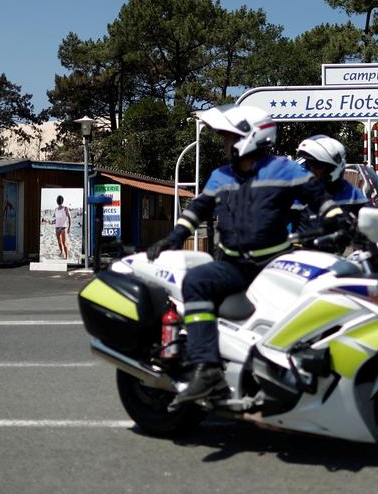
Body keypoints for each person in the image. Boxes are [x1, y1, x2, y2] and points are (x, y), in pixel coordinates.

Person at [146, 105, 348, 407]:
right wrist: (173, 238)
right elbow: (196, 211)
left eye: (230, 137)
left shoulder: (285, 169)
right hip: (233, 267)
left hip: (275, 265)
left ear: (251, 136)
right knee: (197, 282)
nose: (226, 143)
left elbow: (319, 199)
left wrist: (340, 220)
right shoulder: (220, 175)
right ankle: (208, 369)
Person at [291, 135, 369, 237]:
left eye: (317, 165)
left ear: (333, 168)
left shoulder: (350, 192)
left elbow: (371, 217)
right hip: (301, 251)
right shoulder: (297, 195)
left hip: (337, 252)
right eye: (308, 164)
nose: (311, 169)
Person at [53, 195, 71, 260]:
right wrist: (53, 221)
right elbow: (54, 218)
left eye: (59, 200)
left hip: (63, 227)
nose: (58, 201)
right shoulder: (55, 209)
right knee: (59, 242)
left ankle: (66, 256)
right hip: (57, 227)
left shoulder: (65, 208)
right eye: (58, 200)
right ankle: (61, 252)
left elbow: (69, 217)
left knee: (64, 243)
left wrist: (69, 227)